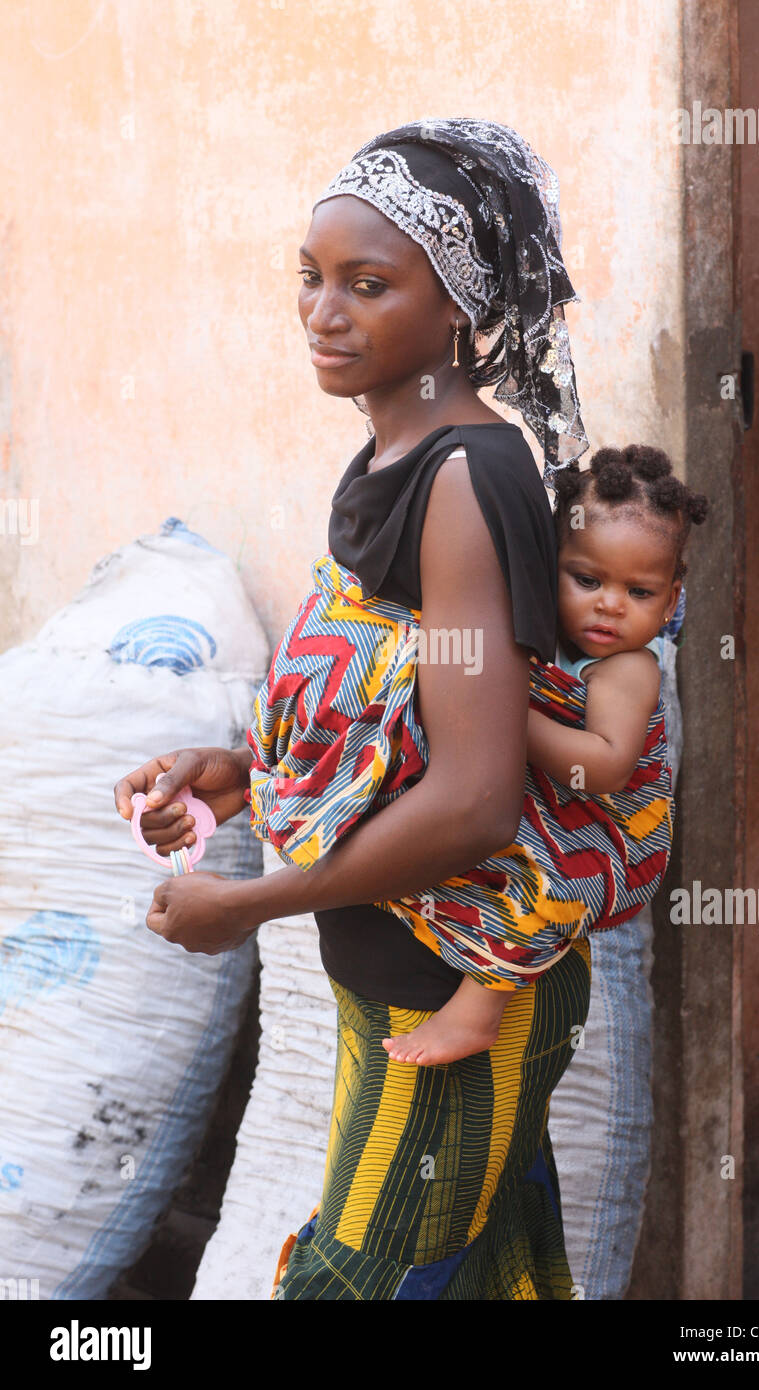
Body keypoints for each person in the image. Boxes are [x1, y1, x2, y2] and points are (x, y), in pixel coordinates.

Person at [115, 117, 601, 1300]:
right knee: (498, 1282)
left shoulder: (464, 480)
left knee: (350, 1282)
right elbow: (398, 710)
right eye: (311, 276)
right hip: (391, 969)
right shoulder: (391, 455)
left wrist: (256, 900)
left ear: (455, 312)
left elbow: (481, 797)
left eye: (367, 285)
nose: (322, 312)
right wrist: (240, 768)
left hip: (454, 978)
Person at [380, 443, 708, 1065]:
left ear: (670, 602)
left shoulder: (630, 668)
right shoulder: (536, 635)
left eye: (639, 592)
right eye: (587, 580)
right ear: (548, 565)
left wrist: (502, 710)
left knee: (538, 888)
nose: (610, 605)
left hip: (612, 839)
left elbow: (607, 764)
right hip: (558, 809)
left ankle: (481, 1010)